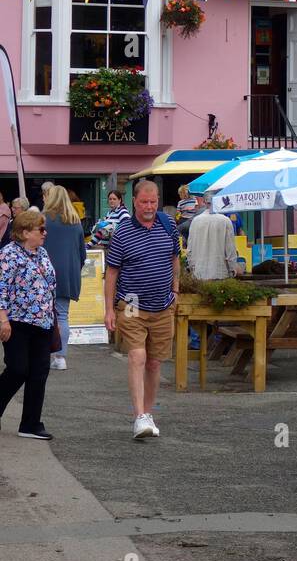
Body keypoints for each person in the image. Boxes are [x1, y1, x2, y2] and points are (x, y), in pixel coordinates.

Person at [104, 179, 180, 441]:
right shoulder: (123, 232)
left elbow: (174, 258)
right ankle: (139, 417)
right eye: (144, 201)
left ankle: (148, 414)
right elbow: (111, 273)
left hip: (162, 304)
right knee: (137, 355)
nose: (149, 206)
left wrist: (176, 291)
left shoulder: (169, 225)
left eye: (153, 201)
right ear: (134, 202)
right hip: (132, 302)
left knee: (155, 361)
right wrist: (109, 310)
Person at [0, 208, 57, 440]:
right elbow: (1, 288)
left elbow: (51, 285)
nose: (44, 233)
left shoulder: (42, 253)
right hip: (17, 322)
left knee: (39, 373)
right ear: (24, 233)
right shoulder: (8, 255)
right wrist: (2, 319)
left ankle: (31, 424)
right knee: (17, 369)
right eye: (40, 229)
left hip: (43, 323)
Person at [42, 185, 87, 371]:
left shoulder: (44, 220)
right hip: (68, 275)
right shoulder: (75, 221)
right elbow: (82, 253)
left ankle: (42, 355)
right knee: (62, 316)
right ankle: (61, 357)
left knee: (43, 316)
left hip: (44, 275)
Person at [186, 193, 238, 281]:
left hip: (199, 273)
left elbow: (190, 249)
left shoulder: (195, 221)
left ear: (204, 202)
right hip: (220, 272)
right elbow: (230, 249)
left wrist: (192, 268)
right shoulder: (225, 221)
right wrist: (232, 268)